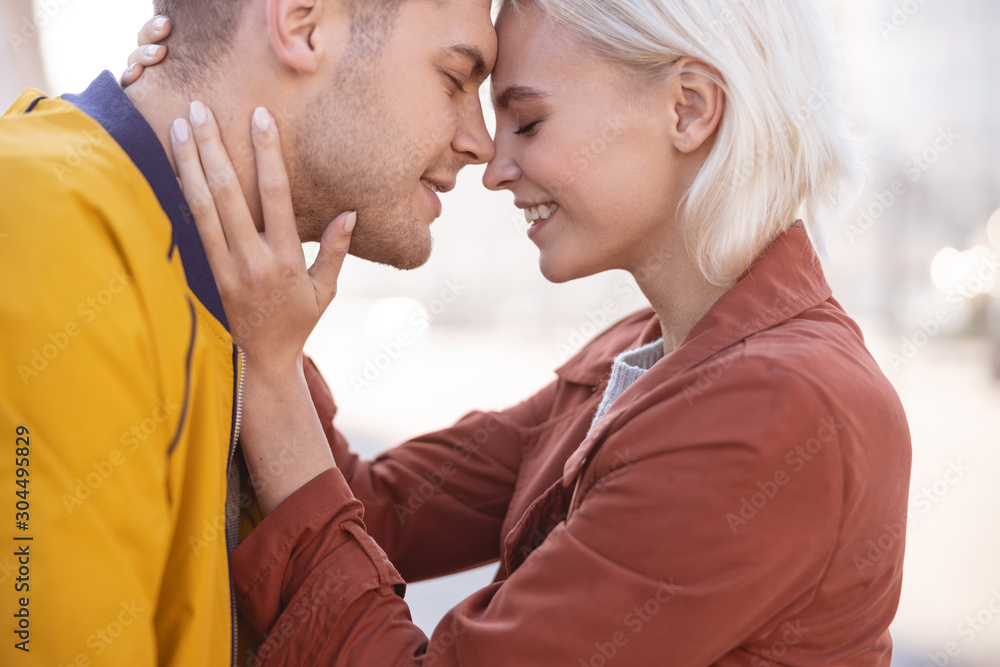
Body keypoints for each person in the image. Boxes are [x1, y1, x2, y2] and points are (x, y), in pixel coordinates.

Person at [136, 0, 913, 664]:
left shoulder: (776, 410)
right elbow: (375, 510)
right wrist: (231, 133)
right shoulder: (644, 351)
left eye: (528, 120)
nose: (492, 162)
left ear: (688, 109)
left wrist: (271, 373)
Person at [0, 0, 496, 664]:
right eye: (456, 78)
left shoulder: (209, 282)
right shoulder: (50, 231)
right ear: (302, 24)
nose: (483, 141)